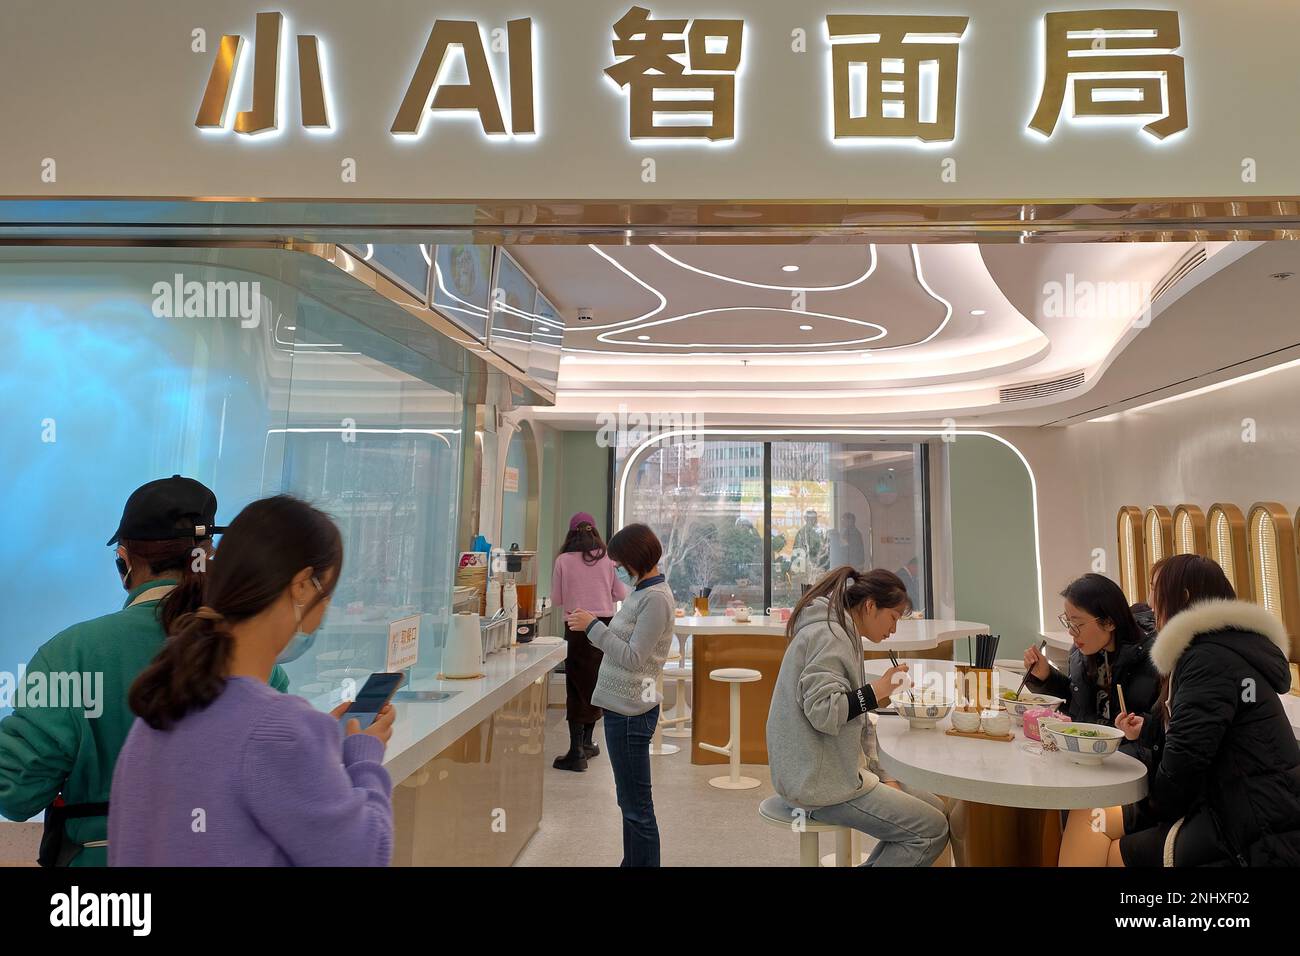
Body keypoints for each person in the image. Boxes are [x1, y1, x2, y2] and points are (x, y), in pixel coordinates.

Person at [0, 475, 290, 867]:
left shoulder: (69, 653)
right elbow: (277, 784)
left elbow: (16, 793)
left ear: (124, 560)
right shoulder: (255, 656)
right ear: (210, 557)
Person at [108, 495, 394, 866]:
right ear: (303, 586)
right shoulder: (282, 727)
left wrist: (319, 750)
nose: (325, 609)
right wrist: (363, 756)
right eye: (327, 593)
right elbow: (365, 856)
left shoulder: (158, 711)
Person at [1066, 554, 1300, 866]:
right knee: (1090, 812)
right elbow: (1203, 735)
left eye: (1155, 589)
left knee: (1095, 824)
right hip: (1247, 807)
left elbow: (1182, 768)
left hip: (1247, 829)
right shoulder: (1224, 649)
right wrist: (1149, 728)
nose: (1150, 602)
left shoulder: (1207, 659)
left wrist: (1142, 805)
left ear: (1183, 597)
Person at [766, 565, 950, 866]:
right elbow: (824, 712)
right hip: (818, 783)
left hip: (825, 769)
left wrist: (880, 770)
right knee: (931, 829)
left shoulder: (835, 629)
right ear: (869, 606)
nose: (893, 629)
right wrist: (875, 691)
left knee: (935, 809)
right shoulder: (832, 635)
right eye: (893, 618)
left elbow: (839, 707)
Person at [565, 523, 675, 866]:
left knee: (637, 806)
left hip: (631, 712)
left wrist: (593, 627)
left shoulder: (654, 599)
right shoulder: (642, 593)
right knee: (629, 803)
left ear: (635, 559)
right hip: (621, 710)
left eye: (619, 564)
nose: (616, 570)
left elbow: (633, 657)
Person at [1023, 573, 1160, 736]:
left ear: (1109, 622)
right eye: (1068, 622)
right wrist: (1046, 677)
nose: (1071, 631)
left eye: (1078, 623)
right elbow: (1078, 707)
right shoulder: (1082, 653)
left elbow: (1158, 735)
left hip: (1125, 758)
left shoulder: (1153, 660)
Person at [550, 512, 628, 772]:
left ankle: (575, 751)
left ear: (571, 534)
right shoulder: (607, 559)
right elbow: (621, 593)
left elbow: (557, 599)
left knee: (576, 686)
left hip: (576, 626)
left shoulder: (563, 560)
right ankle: (587, 743)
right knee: (597, 683)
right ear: (594, 531)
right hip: (605, 627)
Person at [792, 509, 829, 577]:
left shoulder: (821, 532)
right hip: (805, 568)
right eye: (810, 518)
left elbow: (825, 551)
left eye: (814, 518)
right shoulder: (801, 533)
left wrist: (823, 566)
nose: (813, 521)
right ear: (806, 519)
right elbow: (797, 551)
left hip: (819, 568)